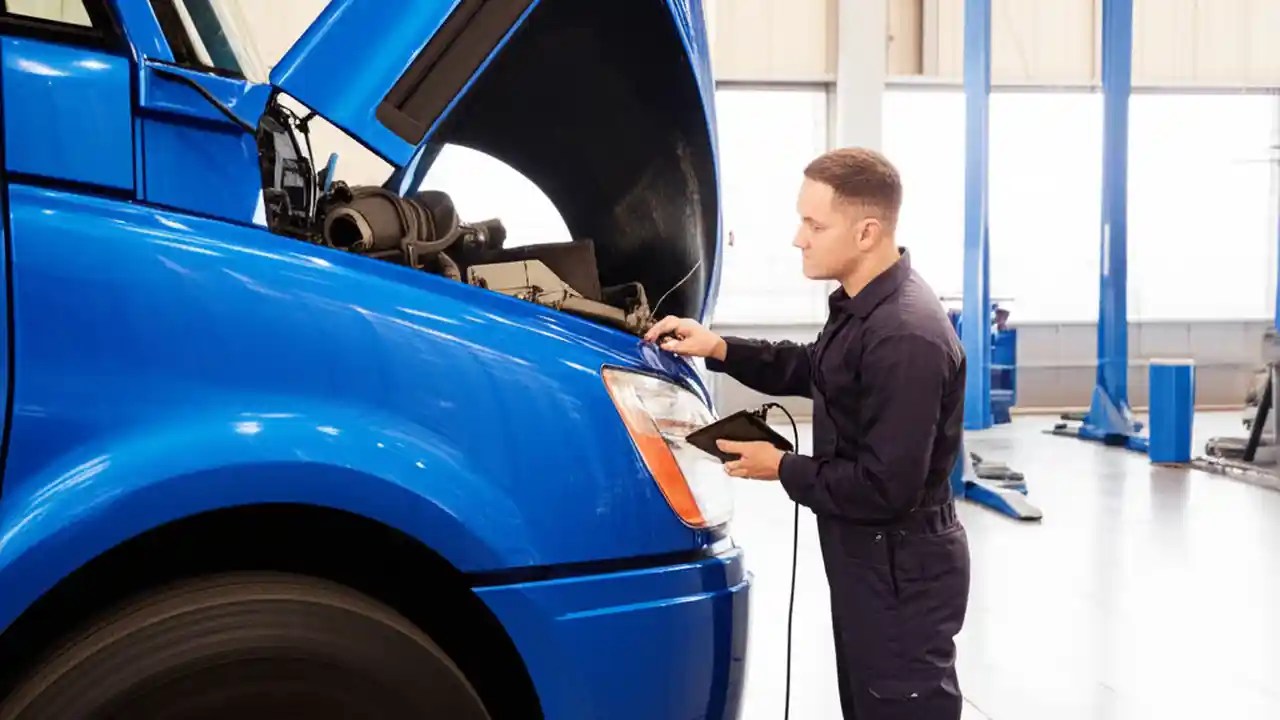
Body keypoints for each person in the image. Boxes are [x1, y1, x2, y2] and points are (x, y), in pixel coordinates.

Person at [645, 147, 971, 719]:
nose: (800, 238)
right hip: (868, 559)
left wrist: (782, 467)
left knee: (900, 707)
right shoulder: (862, 308)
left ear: (867, 231)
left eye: (814, 225)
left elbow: (885, 487)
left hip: (901, 568)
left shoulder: (905, 335)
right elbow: (816, 367)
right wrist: (719, 348)